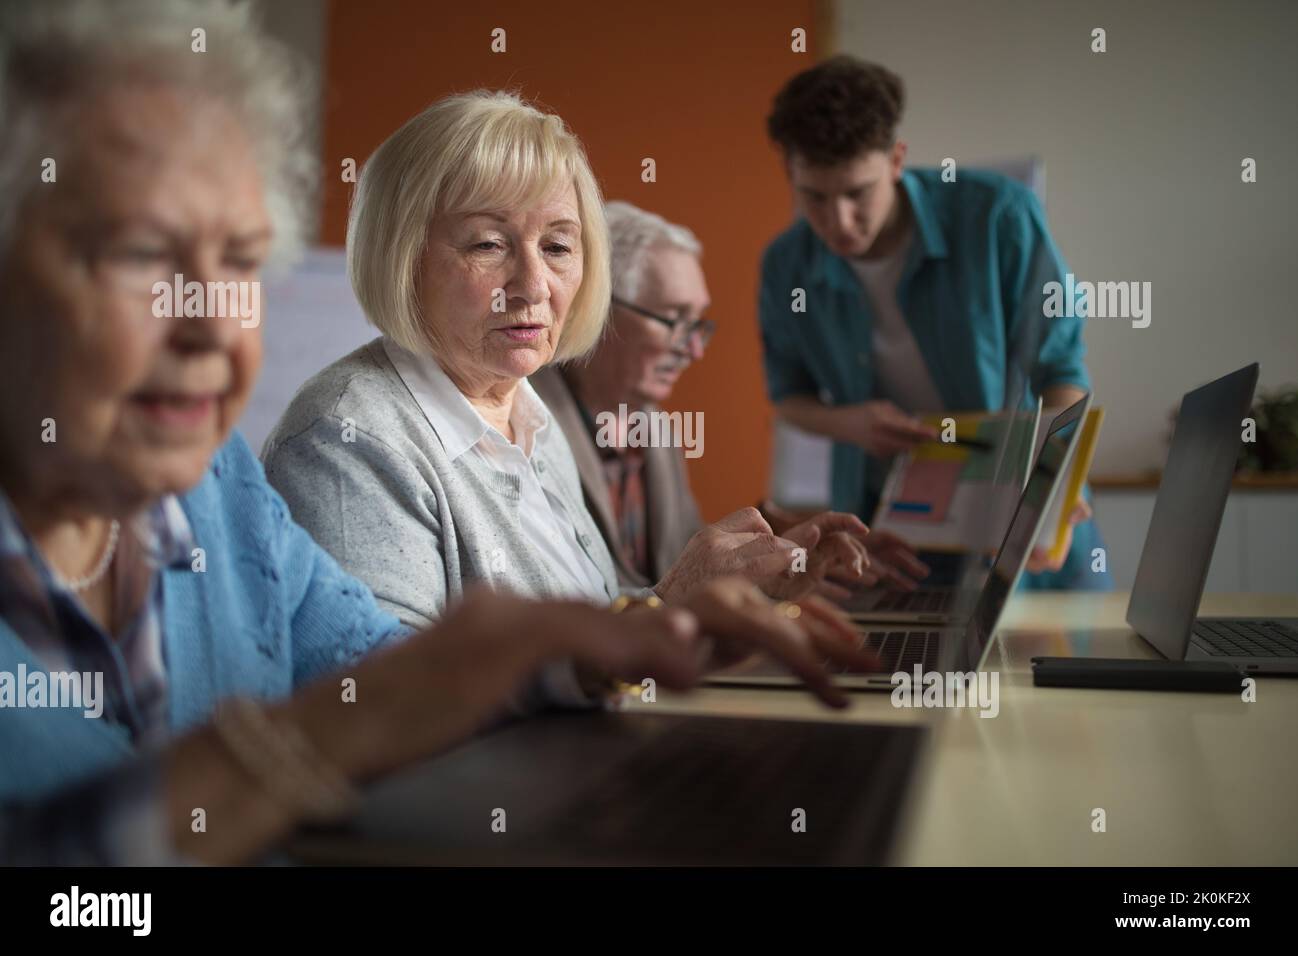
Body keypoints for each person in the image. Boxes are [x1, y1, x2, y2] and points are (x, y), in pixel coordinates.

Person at [0, 0, 872, 865]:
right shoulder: (343, 435)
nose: (215, 325)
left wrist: (626, 640)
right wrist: (290, 756)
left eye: (239, 261)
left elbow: (397, 680)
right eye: (141, 255)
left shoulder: (215, 486)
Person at [262, 91, 877, 677]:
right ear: (401, 255)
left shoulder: (527, 413)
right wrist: (669, 607)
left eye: (558, 247)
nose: (533, 285)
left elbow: (592, 618)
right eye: (488, 243)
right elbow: (390, 705)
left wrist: (733, 591)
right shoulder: (346, 439)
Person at [757, 56, 1110, 589]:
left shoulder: (998, 216)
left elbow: (1060, 367)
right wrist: (850, 422)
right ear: (790, 175)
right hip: (890, 530)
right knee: (908, 666)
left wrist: (1056, 478)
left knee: (1058, 663)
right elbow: (790, 397)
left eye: (857, 193)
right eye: (814, 197)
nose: (839, 222)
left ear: (897, 160)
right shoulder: (786, 264)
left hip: (1015, 503)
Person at [532, 200, 930, 595]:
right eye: (674, 320)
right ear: (597, 308)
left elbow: (680, 562)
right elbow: (556, 608)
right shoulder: (521, 425)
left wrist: (787, 547)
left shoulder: (653, 424)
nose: (694, 350)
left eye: (698, 323)